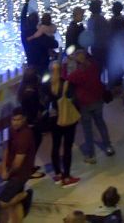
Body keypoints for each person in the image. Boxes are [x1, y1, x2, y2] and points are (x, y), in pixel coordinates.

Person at [67, 48, 114, 161]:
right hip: (97, 100)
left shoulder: (77, 74)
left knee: (87, 129)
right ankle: (108, 147)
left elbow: (67, 78)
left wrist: (69, 62)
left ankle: (91, 154)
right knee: (100, 123)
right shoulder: (94, 67)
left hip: (84, 104)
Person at [49, 56, 81, 186]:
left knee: (55, 146)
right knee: (67, 148)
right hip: (67, 119)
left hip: (53, 119)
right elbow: (74, 100)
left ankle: (57, 173)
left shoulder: (47, 85)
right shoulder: (66, 84)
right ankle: (66, 176)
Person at [0, 108, 37, 194]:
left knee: (5, 199)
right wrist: (4, 168)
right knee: (15, 195)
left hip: (20, 174)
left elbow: (18, 163)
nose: (15, 123)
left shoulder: (25, 135)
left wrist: (7, 174)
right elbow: (6, 148)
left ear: (24, 119)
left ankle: (26, 195)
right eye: (13, 119)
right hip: (12, 170)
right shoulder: (11, 130)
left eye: (18, 120)